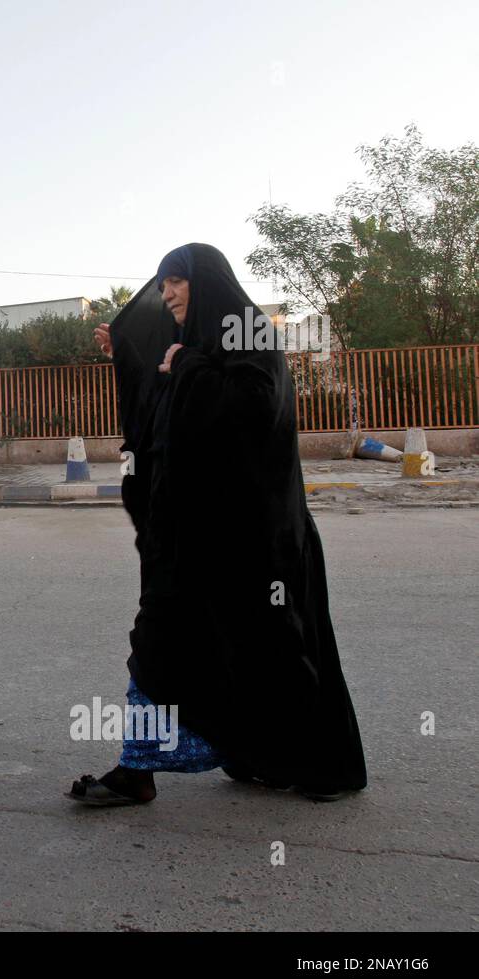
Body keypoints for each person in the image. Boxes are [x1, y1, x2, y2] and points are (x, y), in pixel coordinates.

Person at [69, 243, 367, 805]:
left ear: (203, 281)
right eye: (161, 286)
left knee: (271, 651)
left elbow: (253, 407)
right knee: (161, 640)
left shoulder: (248, 331)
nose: (168, 294)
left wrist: (184, 366)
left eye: (176, 282)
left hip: (254, 538)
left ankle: (315, 763)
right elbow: (170, 409)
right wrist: (131, 358)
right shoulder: (201, 344)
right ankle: (142, 768)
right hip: (192, 537)